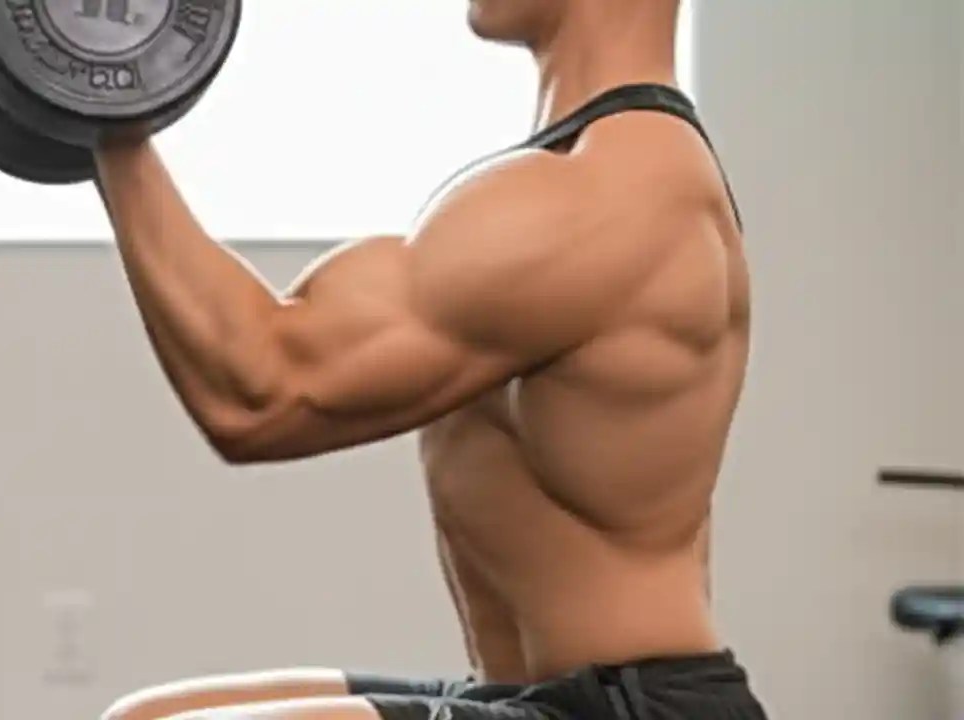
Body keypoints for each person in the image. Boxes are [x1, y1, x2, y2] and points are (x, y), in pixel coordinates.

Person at [91, 0, 765, 718]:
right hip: (541, 694)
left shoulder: (622, 196)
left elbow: (263, 390)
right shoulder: (579, 176)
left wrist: (104, 101)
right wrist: (100, 100)